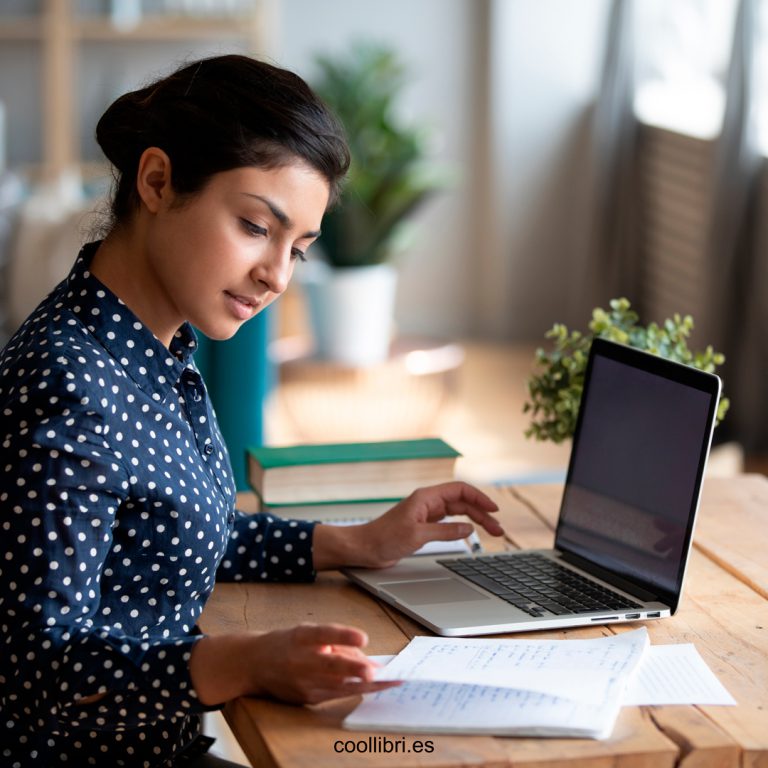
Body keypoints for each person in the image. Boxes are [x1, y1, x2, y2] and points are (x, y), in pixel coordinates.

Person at [0, 54, 503, 767]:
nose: (276, 276)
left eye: (298, 249)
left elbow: (160, 541)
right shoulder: (70, 385)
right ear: (157, 181)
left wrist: (354, 543)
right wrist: (245, 662)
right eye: (255, 226)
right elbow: (33, 673)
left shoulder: (153, 351)